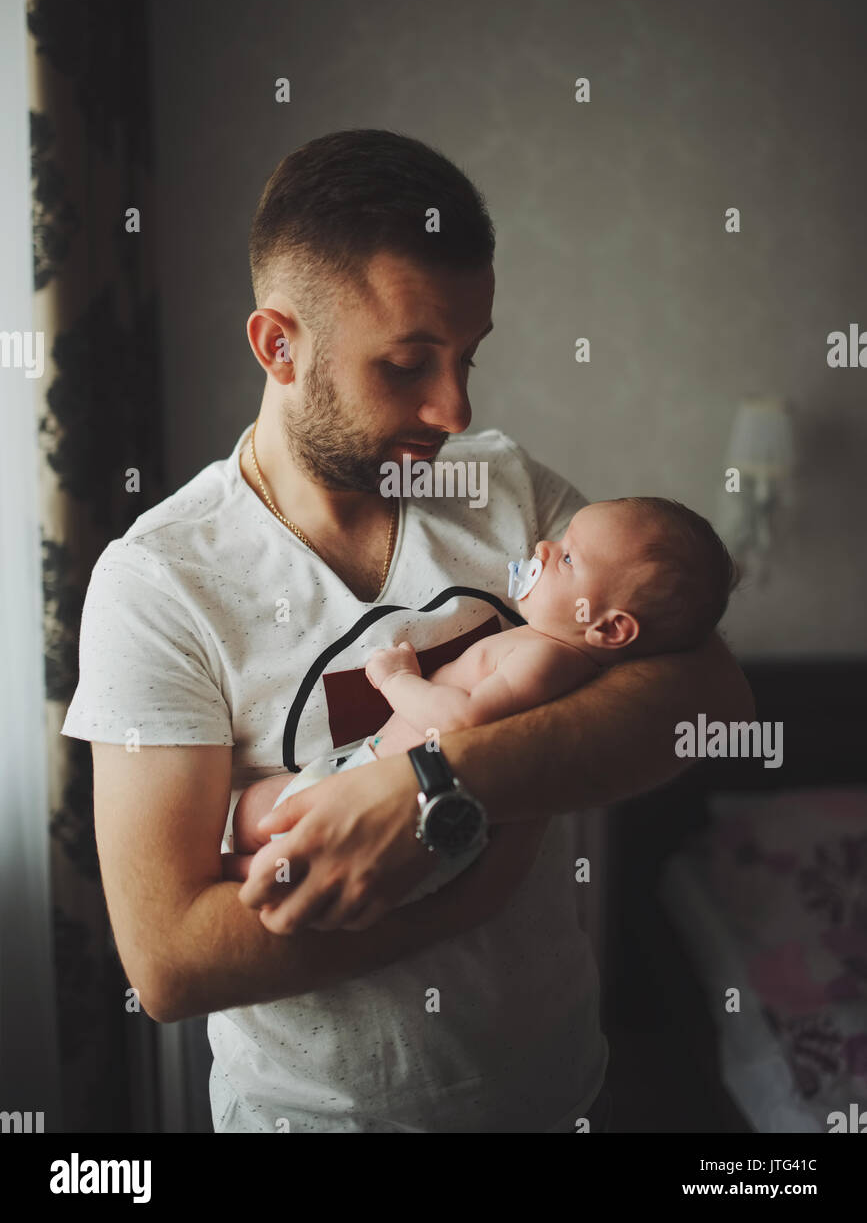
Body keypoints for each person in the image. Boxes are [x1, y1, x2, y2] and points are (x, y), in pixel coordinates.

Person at [62, 128, 754, 1133]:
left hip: (555, 1099)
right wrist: (464, 881)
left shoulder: (507, 490)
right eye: (407, 363)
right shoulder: (158, 584)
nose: (455, 405)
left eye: (468, 356)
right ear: (278, 344)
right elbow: (172, 959)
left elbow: (708, 694)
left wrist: (438, 790)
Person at [232, 496, 740, 910]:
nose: (542, 547)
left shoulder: (545, 659)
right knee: (257, 817)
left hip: (386, 794)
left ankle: (242, 877)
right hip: (365, 772)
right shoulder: (548, 647)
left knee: (279, 843)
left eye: (567, 558)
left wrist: (396, 680)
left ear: (608, 627)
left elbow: (461, 721)